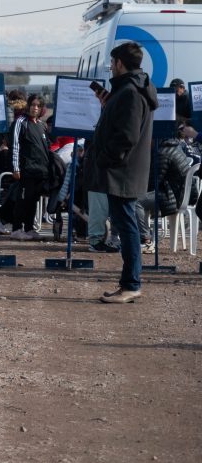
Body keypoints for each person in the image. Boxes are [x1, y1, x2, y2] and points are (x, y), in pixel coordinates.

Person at [90, 42, 158, 303]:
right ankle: (130, 283)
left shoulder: (130, 92)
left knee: (127, 225)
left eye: (112, 63)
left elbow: (126, 136)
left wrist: (105, 159)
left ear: (119, 63)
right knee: (126, 223)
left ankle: (131, 285)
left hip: (121, 172)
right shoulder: (136, 89)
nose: (110, 67)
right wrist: (108, 105)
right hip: (126, 170)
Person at [8, 94, 53, 240]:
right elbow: (15, 146)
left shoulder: (42, 125)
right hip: (25, 170)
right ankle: (16, 229)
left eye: (38, 106)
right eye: (33, 105)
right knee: (22, 200)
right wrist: (16, 168)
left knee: (33, 200)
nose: (35, 108)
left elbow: (47, 148)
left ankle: (29, 229)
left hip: (40, 171)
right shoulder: (20, 122)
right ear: (28, 106)